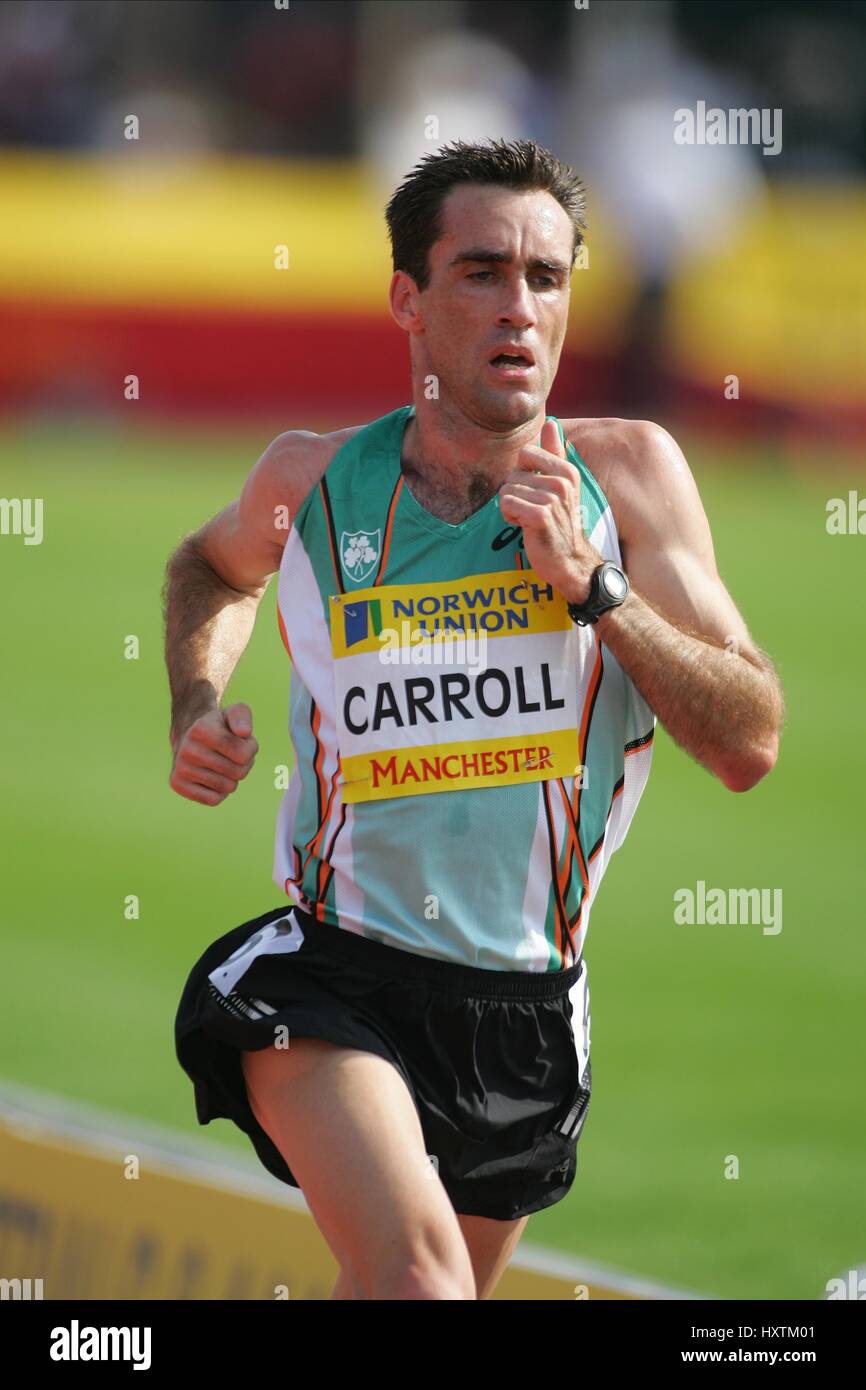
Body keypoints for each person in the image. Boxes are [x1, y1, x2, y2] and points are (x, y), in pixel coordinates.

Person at [166, 139, 783, 1301]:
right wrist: (196, 698)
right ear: (408, 299)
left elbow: (747, 737)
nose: (520, 309)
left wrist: (597, 594)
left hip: (525, 1013)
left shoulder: (629, 479)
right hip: (332, 975)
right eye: (482, 272)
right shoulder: (314, 481)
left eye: (546, 278)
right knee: (419, 1284)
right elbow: (210, 568)